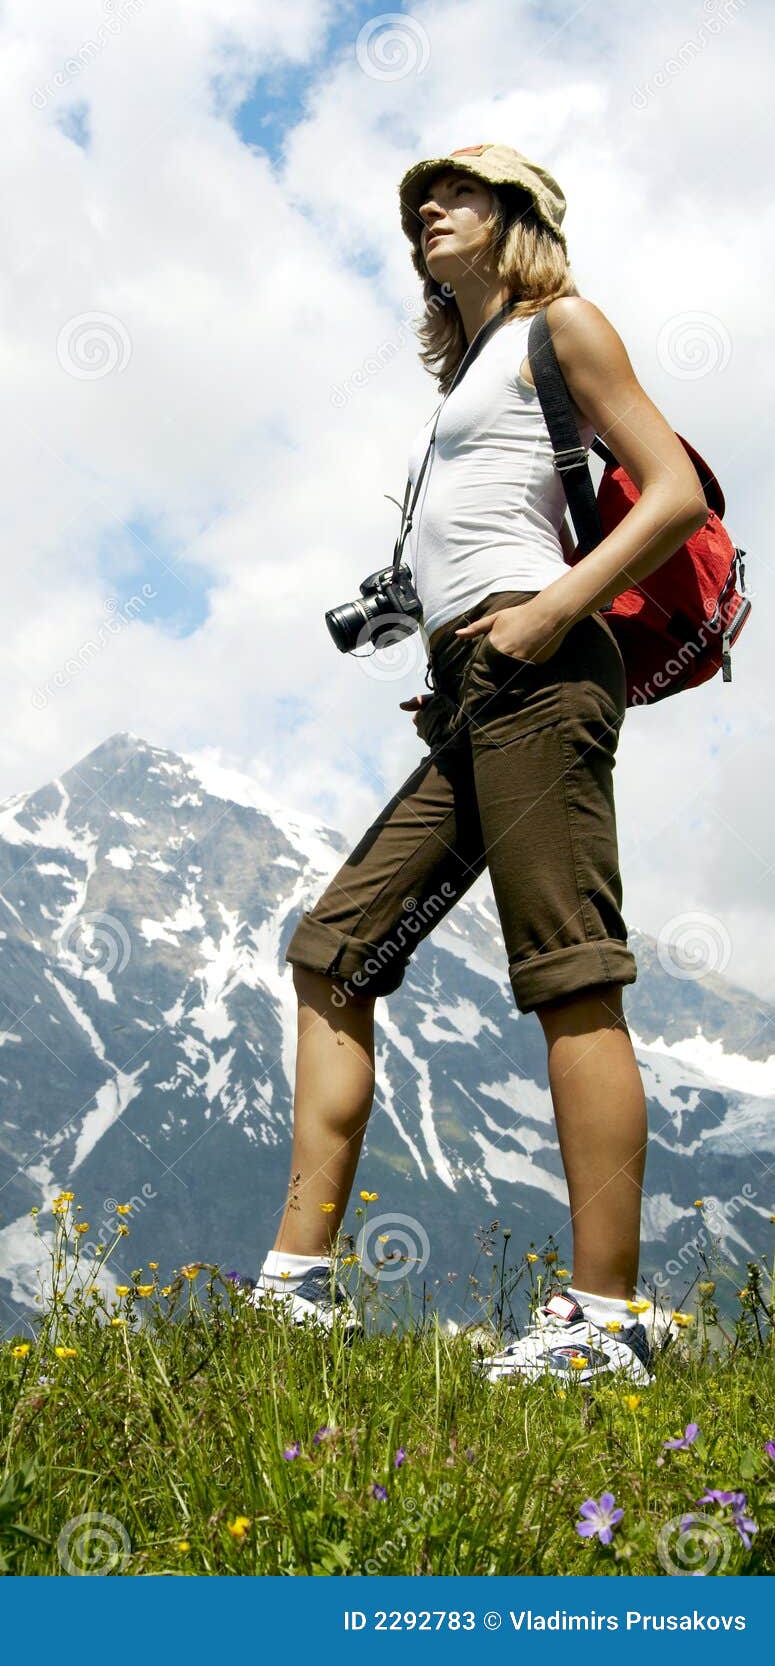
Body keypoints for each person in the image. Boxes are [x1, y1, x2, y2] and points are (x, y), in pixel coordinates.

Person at [252, 145, 707, 1384]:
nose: (424, 215)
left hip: (543, 670)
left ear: (518, 218)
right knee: (336, 949)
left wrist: (549, 613)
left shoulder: (565, 327)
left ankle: (605, 1320)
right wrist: (451, 660)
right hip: (477, 687)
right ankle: (294, 1290)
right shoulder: (460, 380)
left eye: (452, 195)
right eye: (411, 208)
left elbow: (670, 492)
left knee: (567, 974)